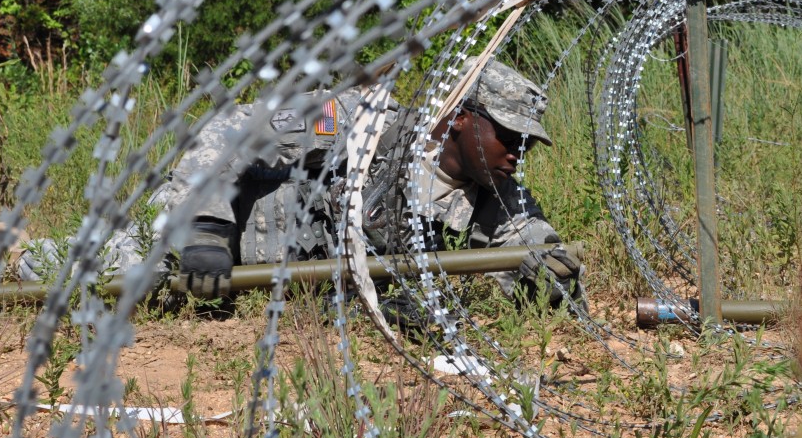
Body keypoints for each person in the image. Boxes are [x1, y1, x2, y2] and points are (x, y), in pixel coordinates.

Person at [165, 58, 583, 312]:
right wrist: (207, 228)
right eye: (508, 138)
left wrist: (551, 278)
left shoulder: (502, 198)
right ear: (460, 116)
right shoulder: (360, 120)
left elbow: (538, 247)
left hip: (271, 297)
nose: (517, 154)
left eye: (526, 144)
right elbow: (229, 132)